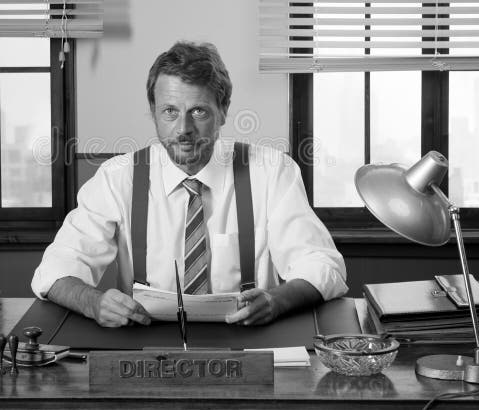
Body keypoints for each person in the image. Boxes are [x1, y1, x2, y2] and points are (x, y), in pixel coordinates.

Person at [31, 41, 347, 327]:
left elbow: (322, 267)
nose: (184, 129)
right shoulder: (117, 178)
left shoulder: (272, 171)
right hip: (144, 346)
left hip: (252, 343)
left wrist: (276, 301)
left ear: (223, 111)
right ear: (153, 112)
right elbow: (55, 271)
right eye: (170, 111)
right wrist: (94, 302)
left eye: (198, 111)